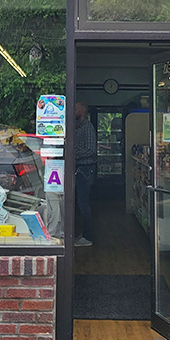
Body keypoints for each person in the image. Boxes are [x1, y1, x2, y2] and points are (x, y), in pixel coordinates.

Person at [74, 101, 97, 247]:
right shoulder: (79, 127)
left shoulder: (87, 128)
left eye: (75, 108)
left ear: (82, 111)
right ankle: (84, 234)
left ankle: (87, 237)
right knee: (81, 203)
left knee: (83, 203)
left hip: (85, 169)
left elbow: (90, 150)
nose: (72, 111)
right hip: (81, 169)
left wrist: (72, 154)